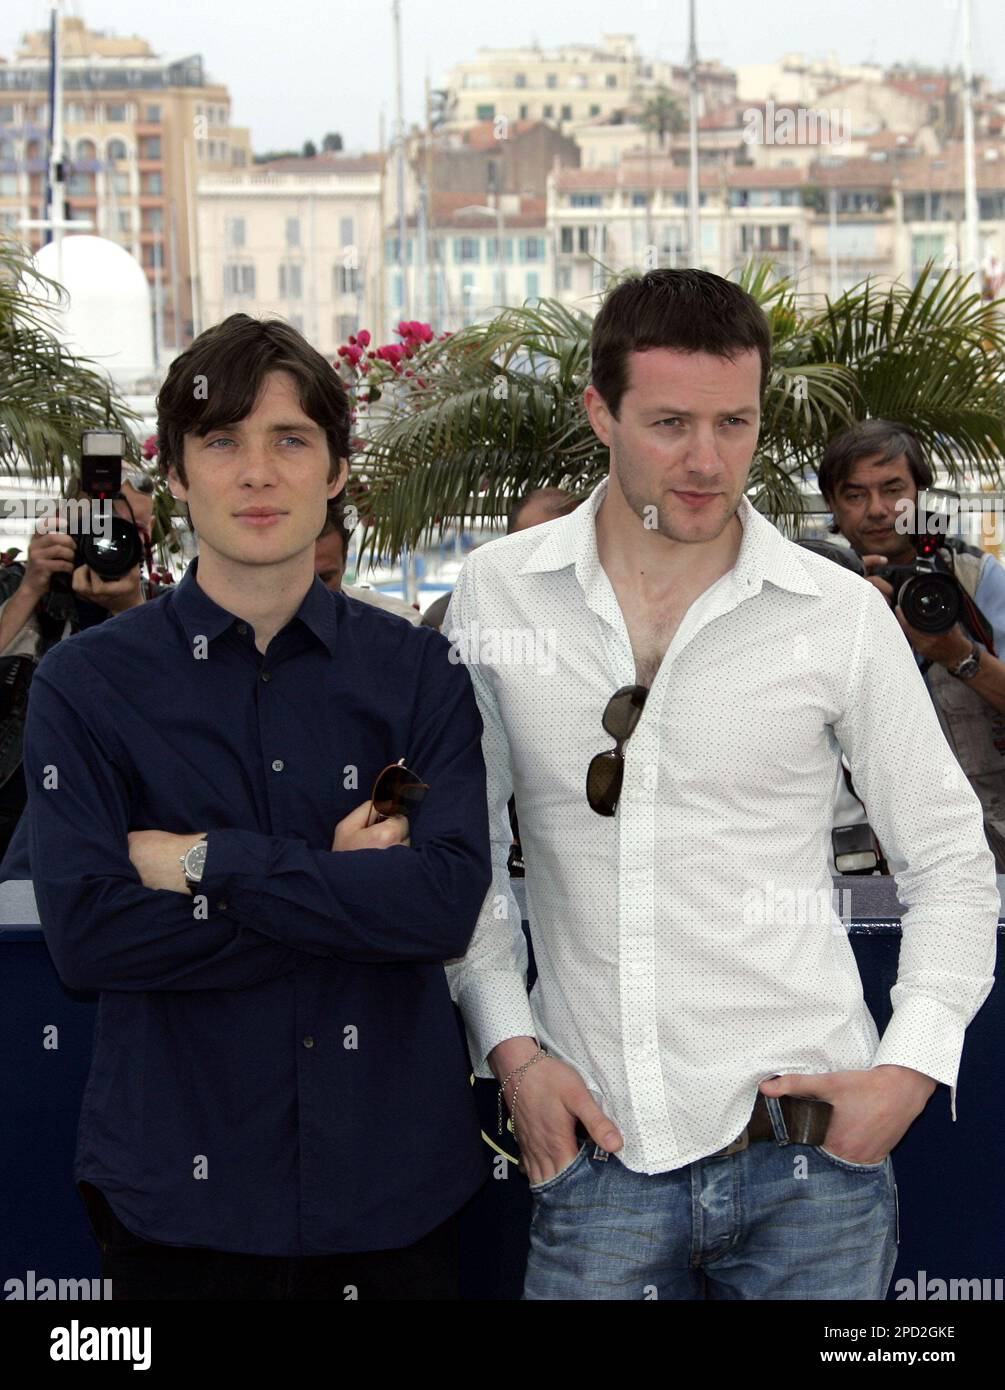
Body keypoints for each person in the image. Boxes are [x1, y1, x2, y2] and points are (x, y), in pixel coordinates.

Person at [444, 268, 999, 1300]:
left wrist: (910, 1069)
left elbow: (952, 862)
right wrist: (513, 1051)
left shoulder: (833, 613)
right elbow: (461, 852)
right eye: (669, 423)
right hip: (598, 1155)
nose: (707, 461)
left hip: (815, 1170)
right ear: (599, 413)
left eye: (735, 423)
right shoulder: (497, 591)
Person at [21, 312, 492, 1300]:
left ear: (334, 471)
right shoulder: (88, 687)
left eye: (290, 439)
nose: (258, 471)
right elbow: (90, 939)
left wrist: (206, 864)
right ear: (179, 476)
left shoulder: (416, 675)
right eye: (222, 440)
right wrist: (340, 890)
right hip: (177, 1200)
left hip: (392, 1196)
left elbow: (441, 905)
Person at [820, 419, 1005, 871]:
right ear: (834, 507)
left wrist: (956, 653)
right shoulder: (816, 592)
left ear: (921, 493)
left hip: (991, 835)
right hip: (868, 852)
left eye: (893, 489)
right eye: (855, 494)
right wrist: (843, 608)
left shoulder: (976, 577)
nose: (879, 510)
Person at [0, 473, 159, 859]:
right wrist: (30, 589)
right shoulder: (18, 586)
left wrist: (129, 609)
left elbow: (175, 703)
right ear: (68, 521)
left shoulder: (162, 609)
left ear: (148, 535)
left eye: (131, 528)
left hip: (101, 826)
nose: (111, 538)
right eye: (100, 525)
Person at [315, 497, 422, 623]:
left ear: (344, 561)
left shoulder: (395, 621)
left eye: (325, 578)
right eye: (296, 578)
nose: (313, 593)